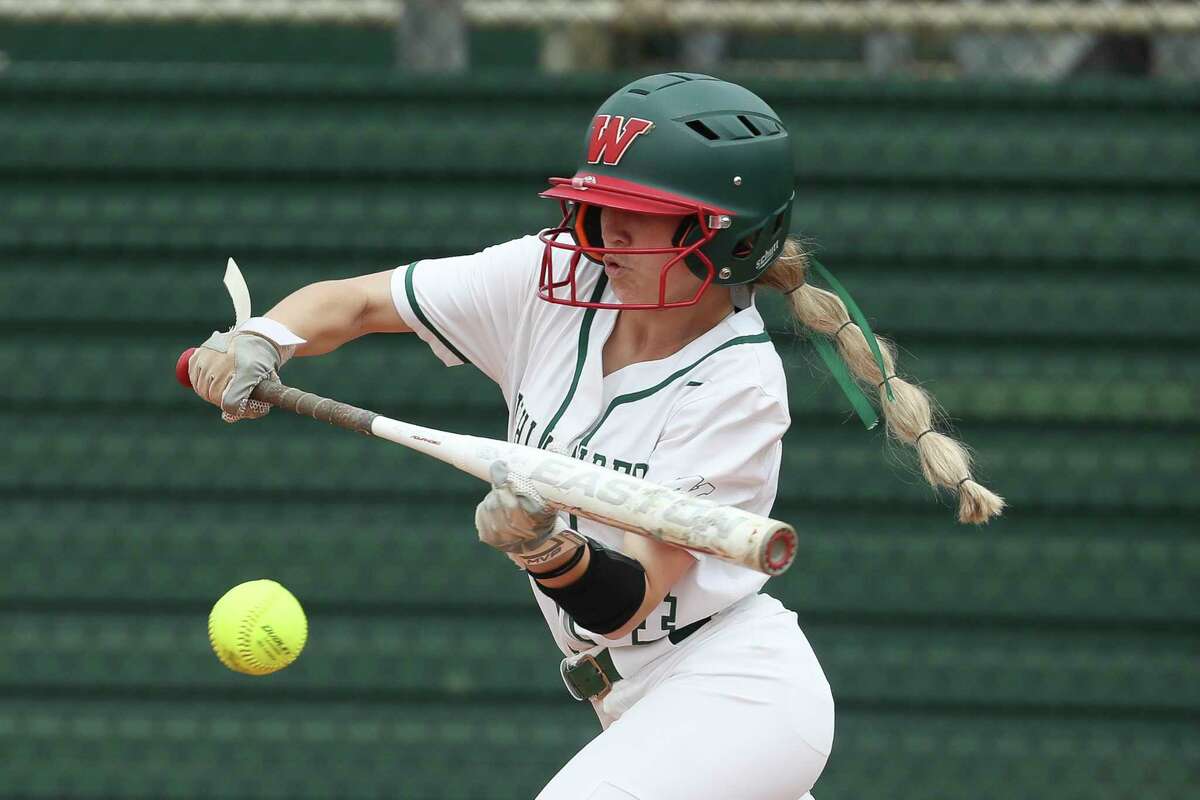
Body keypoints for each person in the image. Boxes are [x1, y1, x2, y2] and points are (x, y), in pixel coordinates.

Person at [186, 73, 1005, 800]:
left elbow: (626, 600)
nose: (604, 233)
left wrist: (545, 549)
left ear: (726, 238)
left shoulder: (737, 385)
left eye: (639, 218)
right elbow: (359, 303)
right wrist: (263, 340)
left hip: (731, 691)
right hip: (633, 705)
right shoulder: (555, 283)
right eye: (600, 206)